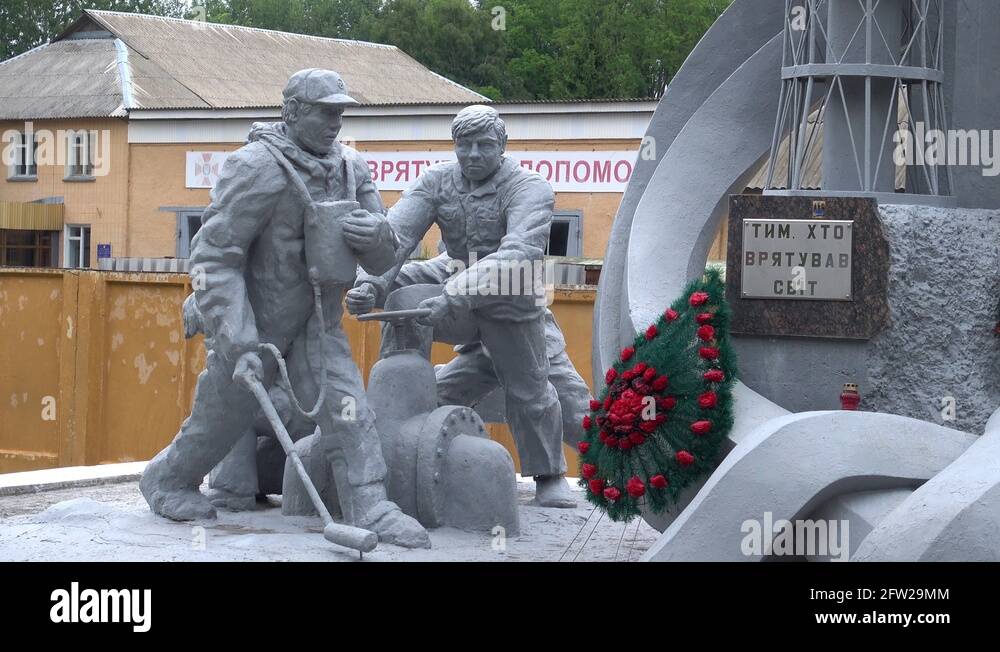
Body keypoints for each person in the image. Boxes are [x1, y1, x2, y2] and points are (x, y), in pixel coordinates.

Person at [140, 69, 429, 548]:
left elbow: (386, 253)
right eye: (324, 111)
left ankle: (370, 504)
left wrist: (375, 237)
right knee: (222, 417)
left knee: (348, 407)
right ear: (292, 110)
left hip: (319, 323)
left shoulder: (351, 169)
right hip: (255, 325)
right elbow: (214, 257)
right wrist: (238, 339)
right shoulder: (256, 167)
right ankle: (167, 479)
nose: (335, 122)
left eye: (340, 112)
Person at [348, 105, 581, 507]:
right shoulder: (437, 180)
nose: (473, 154)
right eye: (464, 145)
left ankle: (548, 475)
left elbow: (520, 253)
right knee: (400, 285)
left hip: (510, 287)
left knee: (529, 387)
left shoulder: (529, 187)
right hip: (453, 271)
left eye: (484, 145)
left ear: (502, 146)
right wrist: (370, 284)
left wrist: (455, 295)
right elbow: (399, 236)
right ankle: (397, 404)